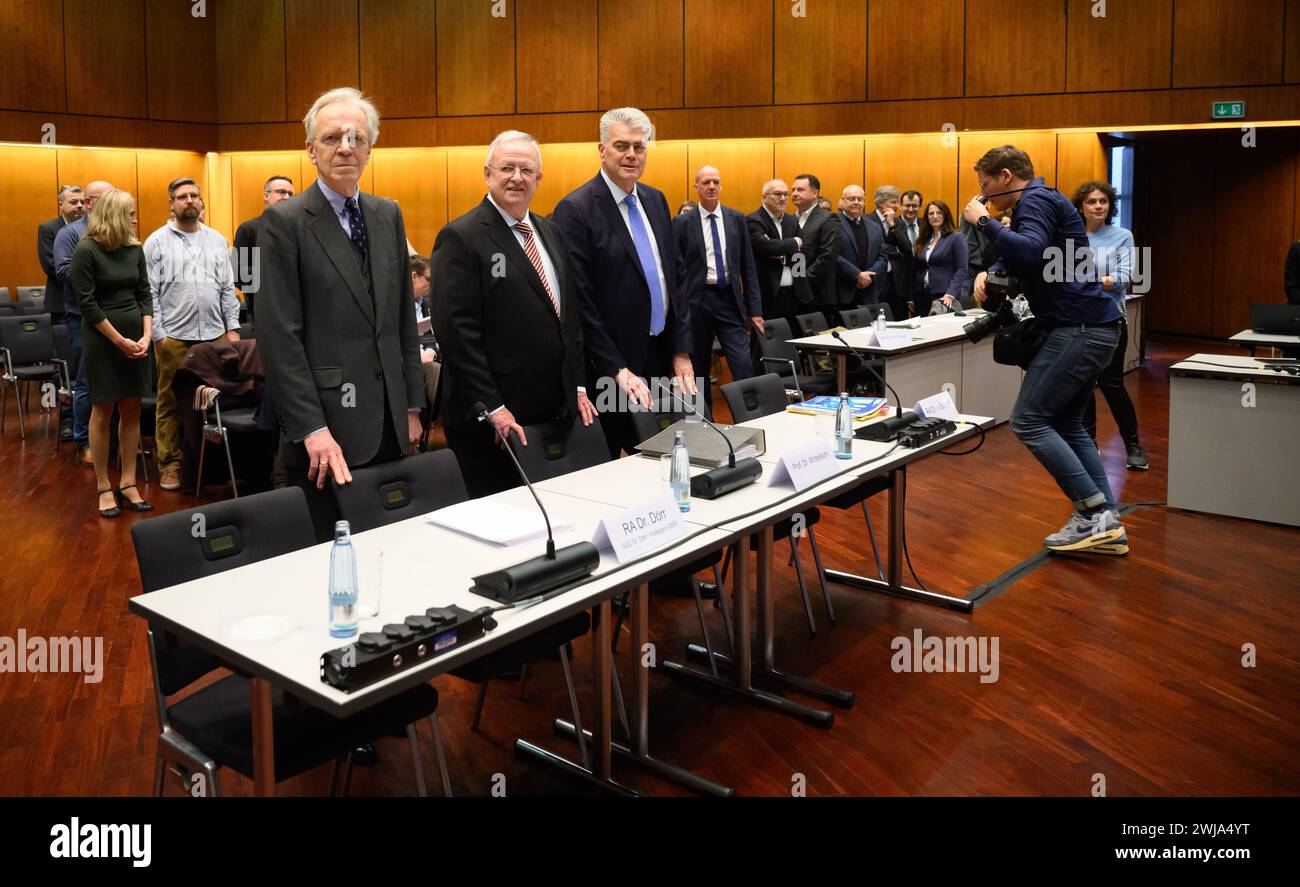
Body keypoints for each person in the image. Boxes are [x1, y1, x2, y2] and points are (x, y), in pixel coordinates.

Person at [258, 87, 424, 542]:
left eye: (357, 138)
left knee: (392, 547)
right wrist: (311, 428)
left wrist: (411, 404)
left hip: (391, 423)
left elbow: (401, 322)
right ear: (311, 150)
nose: (346, 147)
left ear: (370, 148)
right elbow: (279, 337)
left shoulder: (387, 214)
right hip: (327, 432)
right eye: (332, 138)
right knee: (333, 559)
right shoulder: (284, 223)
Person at [963, 145, 1125, 555]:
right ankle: (1106, 519)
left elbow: (1031, 251)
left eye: (985, 187)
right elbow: (1031, 261)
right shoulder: (1044, 200)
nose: (982, 195)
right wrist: (991, 272)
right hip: (1095, 325)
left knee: (1029, 420)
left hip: (1079, 327)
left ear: (1004, 176)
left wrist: (983, 222)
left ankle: (1091, 515)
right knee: (1069, 424)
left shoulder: (1034, 198)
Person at [431, 130, 595, 496]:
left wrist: (578, 386)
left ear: (539, 178)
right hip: (497, 424)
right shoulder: (461, 236)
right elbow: (457, 335)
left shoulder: (549, 232)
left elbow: (568, 319)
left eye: (526, 169)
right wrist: (493, 407)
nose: (516, 177)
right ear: (487, 174)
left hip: (553, 415)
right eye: (507, 168)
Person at [553, 107, 695, 457]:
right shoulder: (575, 209)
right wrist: (616, 368)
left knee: (668, 456)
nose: (631, 154)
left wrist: (681, 349)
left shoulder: (656, 199)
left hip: (663, 356)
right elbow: (580, 300)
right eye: (621, 145)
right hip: (611, 365)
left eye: (639, 146)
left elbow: (676, 281)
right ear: (602, 149)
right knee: (615, 463)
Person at [143, 177, 242, 492]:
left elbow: (228, 289)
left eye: (194, 196)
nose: (189, 200)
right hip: (175, 337)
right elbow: (150, 293)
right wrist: (159, 336)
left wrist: (233, 330)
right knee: (170, 402)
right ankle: (170, 464)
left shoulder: (216, 239)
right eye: (182, 196)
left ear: (202, 202)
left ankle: (209, 467)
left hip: (214, 337)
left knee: (211, 403)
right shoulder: (156, 242)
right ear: (171, 203)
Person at [67, 190, 154, 519]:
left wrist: (145, 335)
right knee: (102, 411)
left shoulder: (135, 249)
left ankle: (129, 482)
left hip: (136, 339)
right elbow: (87, 304)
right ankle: (105, 485)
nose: (134, 218)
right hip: (104, 342)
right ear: (114, 214)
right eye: (129, 212)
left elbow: (144, 294)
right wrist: (120, 341)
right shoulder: (86, 250)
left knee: (132, 410)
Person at [673, 165, 761, 411]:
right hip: (696, 302)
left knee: (742, 362)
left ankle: (751, 417)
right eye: (706, 182)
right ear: (696, 187)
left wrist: (755, 310)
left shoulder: (736, 219)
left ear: (721, 186)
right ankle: (705, 421)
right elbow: (676, 271)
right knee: (698, 367)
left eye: (716, 182)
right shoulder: (681, 222)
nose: (711, 186)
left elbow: (748, 267)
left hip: (729, 299)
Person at [1072, 180, 1147, 470]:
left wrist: (1084, 282)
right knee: (1084, 386)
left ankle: (1133, 446)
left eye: (1103, 201)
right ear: (1081, 206)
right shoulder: (1072, 237)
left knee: (1112, 384)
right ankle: (1089, 444)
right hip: (1078, 322)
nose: (1098, 206)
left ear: (1110, 205)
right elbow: (1060, 277)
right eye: (1091, 201)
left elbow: (1123, 278)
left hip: (1111, 320)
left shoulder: (1122, 235)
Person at [54, 179, 114, 465]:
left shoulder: (118, 232)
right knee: (87, 382)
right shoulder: (70, 233)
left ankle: (110, 439)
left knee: (116, 381)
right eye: (105, 198)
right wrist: (103, 279)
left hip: (116, 318)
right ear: (89, 203)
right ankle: (83, 441)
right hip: (82, 318)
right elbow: (64, 271)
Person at [37, 185, 86, 440]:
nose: (78, 206)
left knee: (85, 366)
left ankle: (88, 421)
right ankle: (67, 419)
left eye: (81, 201)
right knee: (65, 366)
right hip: (61, 306)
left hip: (89, 307)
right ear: (61, 205)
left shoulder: (92, 227)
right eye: (73, 202)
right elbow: (52, 265)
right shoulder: (49, 229)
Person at [231, 174, 295, 323]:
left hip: (297, 313)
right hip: (264, 315)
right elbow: (238, 275)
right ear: (266, 196)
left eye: (290, 194)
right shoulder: (249, 229)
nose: (286, 197)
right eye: (281, 192)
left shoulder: (298, 228)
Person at [747, 178, 804, 334]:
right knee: (767, 345)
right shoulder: (753, 220)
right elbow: (764, 247)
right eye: (778, 194)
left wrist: (781, 252)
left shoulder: (792, 220)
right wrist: (793, 243)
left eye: (786, 194)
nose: (783, 198)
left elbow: (803, 252)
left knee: (793, 342)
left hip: (794, 293)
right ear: (764, 197)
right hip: (768, 295)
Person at [790, 173, 841, 326]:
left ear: (814, 193)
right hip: (792, 294)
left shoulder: (828, 218)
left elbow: (827, 256)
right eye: (793, 190)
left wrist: (802, 281)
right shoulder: (789, 219)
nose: (794, 194)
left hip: (817, 294)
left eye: (800, 190)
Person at [912, 200, 969, 313]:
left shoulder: (956, 237)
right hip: (921, 296)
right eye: (931, 213)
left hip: (944, 296)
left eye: (939, 213)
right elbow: (918, 268)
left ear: (945, 215)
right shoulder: (924, 239)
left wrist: (951, 293)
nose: (935, 216)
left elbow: (962, 269)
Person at [834, 184, 884, 310]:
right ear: (843, 200)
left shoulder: (874, 226)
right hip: (843, 293)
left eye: (859, 199)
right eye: (851, 199)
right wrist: (857, 275)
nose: (856, 202)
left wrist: (868, 276)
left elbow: (883, 257)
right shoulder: (832, 223)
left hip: (869, 291)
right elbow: (832, 254)